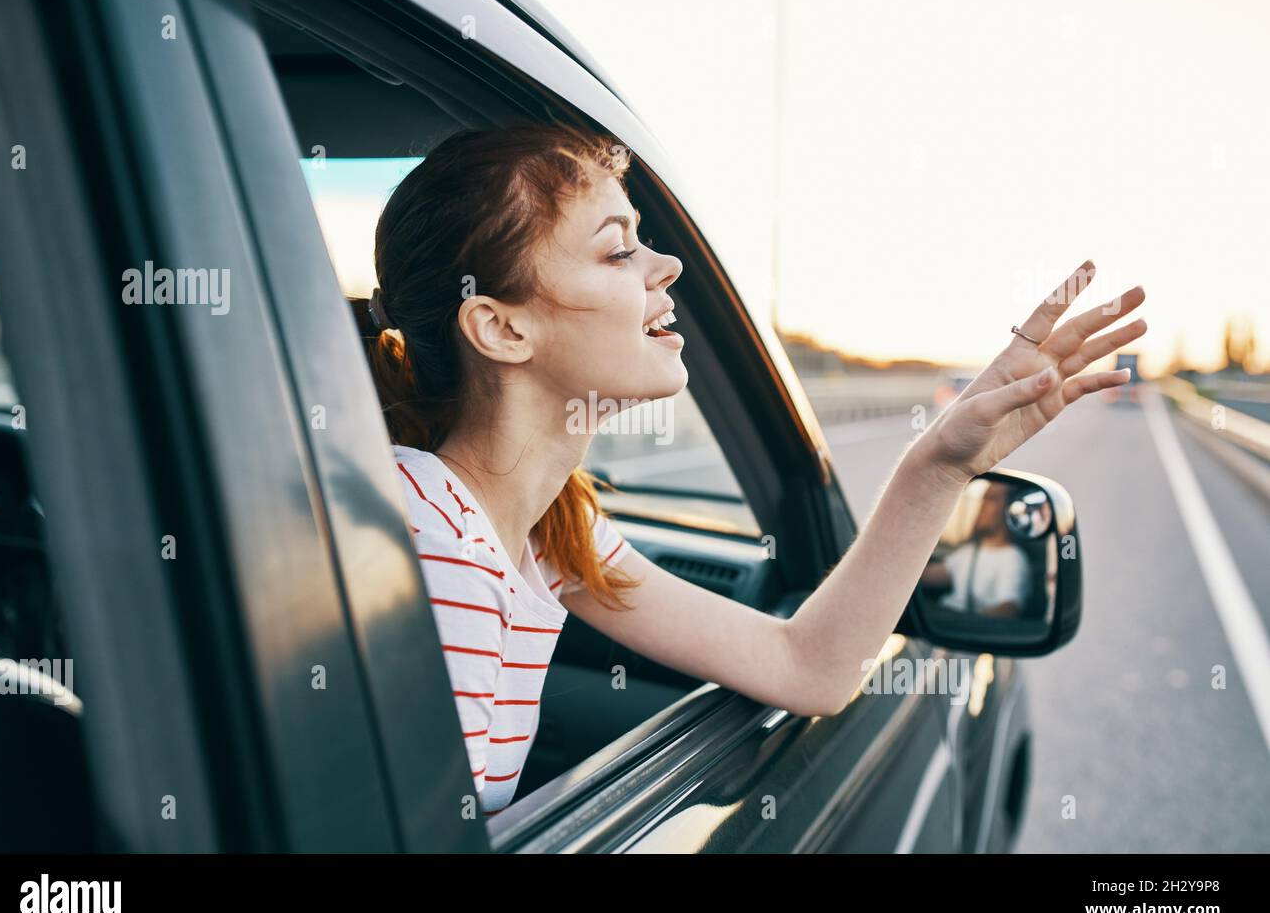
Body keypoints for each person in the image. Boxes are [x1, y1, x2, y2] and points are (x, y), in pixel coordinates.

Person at [353, 123, 1146, 816]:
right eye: (619, 249)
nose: (666, 265)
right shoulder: (432, 543)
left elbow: (810, 668)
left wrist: (940, 461)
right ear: (500, 328)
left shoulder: (552, 530)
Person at [937, 482, 1030, 617]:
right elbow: (930, 576)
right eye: (983, 499)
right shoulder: (969, 551)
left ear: (1009, 509)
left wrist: (963, 622)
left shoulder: (1013, 558)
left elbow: (1009, 608)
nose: (982, 505)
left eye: (991, 499)